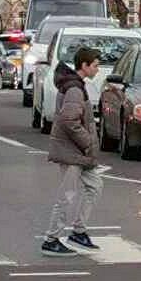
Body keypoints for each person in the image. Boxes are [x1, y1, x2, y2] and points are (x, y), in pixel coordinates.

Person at [41, 47, 106, 255]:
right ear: (84, 66)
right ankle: (51, 238)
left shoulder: (76, 86)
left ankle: (78, 231)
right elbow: (69, 120)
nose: (98, 69)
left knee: (94, 185)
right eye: (95, 65)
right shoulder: (75, 89)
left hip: (79, 152)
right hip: (73, 151)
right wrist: (87, 142)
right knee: (67, 194)